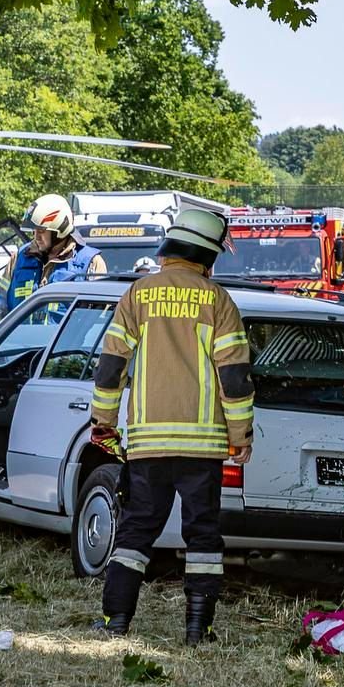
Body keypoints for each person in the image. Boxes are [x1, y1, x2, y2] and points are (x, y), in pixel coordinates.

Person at [91, 207, 253, 644]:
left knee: (136, 530)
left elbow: (110, 369)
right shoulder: (218, 301)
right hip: (202, 448)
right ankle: (198, 628)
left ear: (170, 249)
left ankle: (116, 621)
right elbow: (234, 378)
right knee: (202, 535)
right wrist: (241, 436)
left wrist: (103, 422)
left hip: (147, 444)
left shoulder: (137, 296)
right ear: (207, 257)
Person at [0, 194, 83, 325]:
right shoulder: (20, 257)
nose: (36, 236)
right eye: (34, 230)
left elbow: (97, 317)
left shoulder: (89, 263)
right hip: (18, 345)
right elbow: (0, 302)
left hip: (65, 346)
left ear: (59, 230)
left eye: (42, 231)